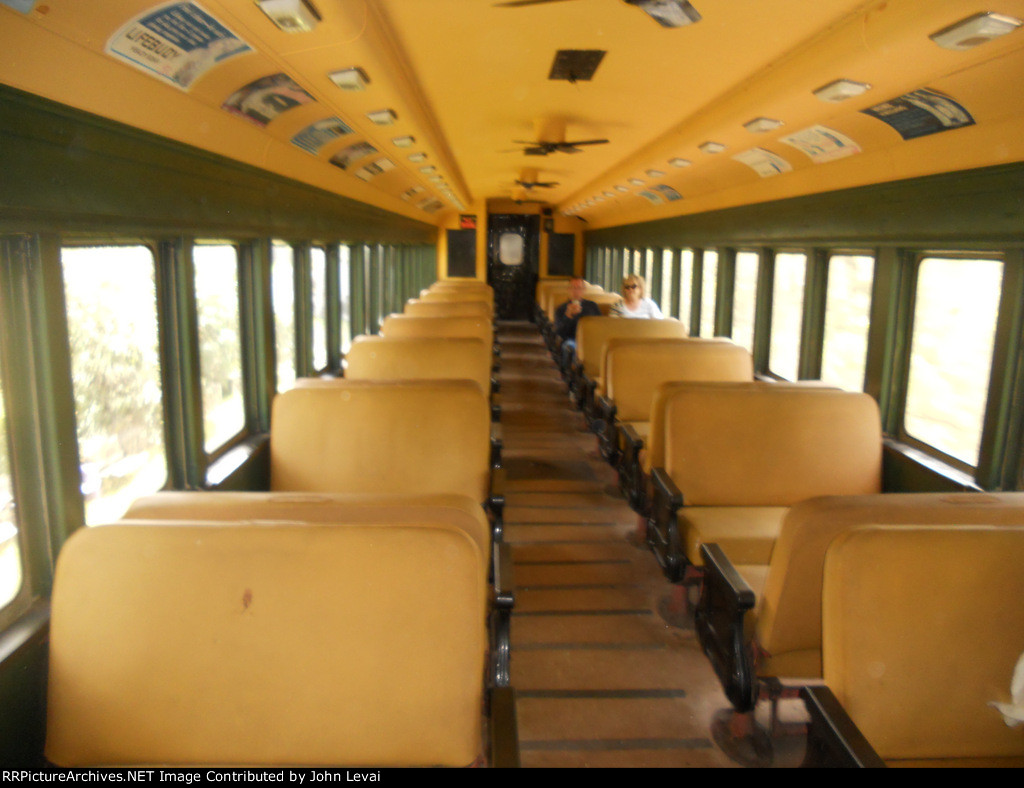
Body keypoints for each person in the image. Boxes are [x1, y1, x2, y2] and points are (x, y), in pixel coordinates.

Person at [554, 277, 601, 370]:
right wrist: (568, 316)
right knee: (569, 347)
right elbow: (559, 333)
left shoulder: (592, 306)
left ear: (584, 290)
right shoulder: (561, 309)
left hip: (591, 340)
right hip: (573, 340)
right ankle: (571, 376)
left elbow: (601, 326)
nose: (576, 291)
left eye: (579, 288)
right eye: (573, 288)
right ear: (568, 290)